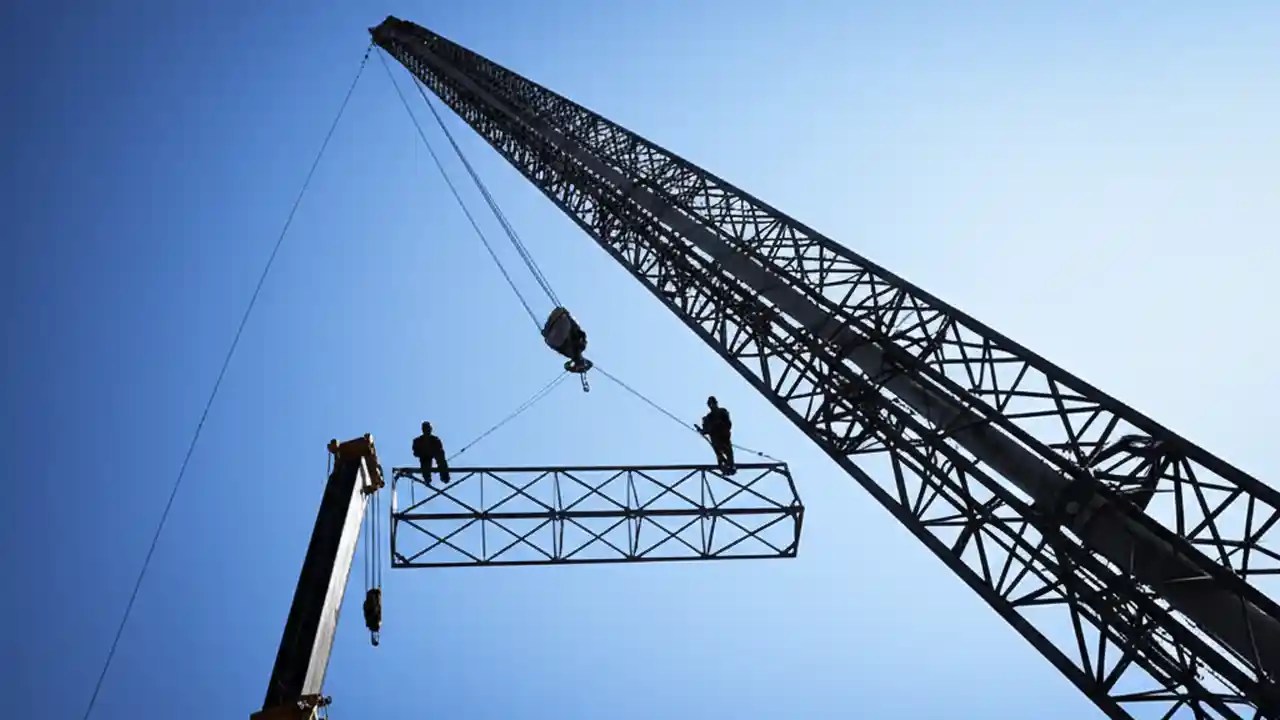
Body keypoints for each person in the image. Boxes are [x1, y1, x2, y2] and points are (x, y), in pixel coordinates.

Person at [697, 396, 736, 474]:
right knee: (720, 455)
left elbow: (728, 424)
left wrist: (717, 424)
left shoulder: (722, 411)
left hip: (724, 437)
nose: (711, 406)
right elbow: (705, 431)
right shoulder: (708, 417)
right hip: (716, 440)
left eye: (712, 404)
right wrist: (701, 430)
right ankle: (724, 467)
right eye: (710, 404)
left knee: (728, 453)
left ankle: (729, 466)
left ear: (716, 403)